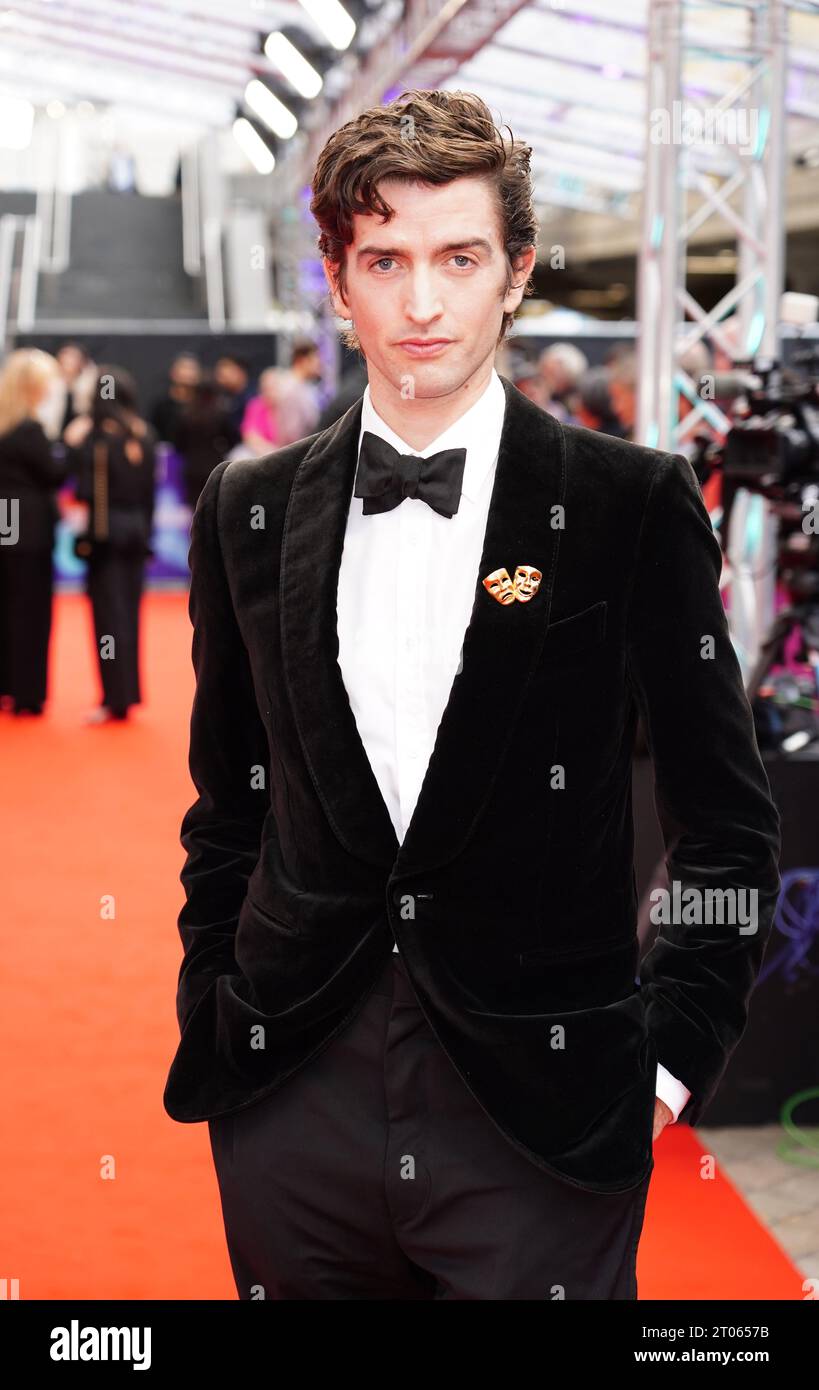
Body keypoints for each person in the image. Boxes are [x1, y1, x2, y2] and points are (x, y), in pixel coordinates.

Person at [163, 89, 781, 1300]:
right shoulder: (248, 505)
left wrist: (668, 1060)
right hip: (296, 1098)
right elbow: (228, 806)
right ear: (338, 283)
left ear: (517, 272)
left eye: (459, 257)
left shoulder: (631, 504)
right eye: (384, 260)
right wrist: (215, 1007)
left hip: (542, 1112)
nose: (424, 302)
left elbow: (727, 823)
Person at [63, 366, 156, 724]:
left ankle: (114, 697)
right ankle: (126, 693)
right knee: (129, 615)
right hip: (136, 533)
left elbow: (83, 489)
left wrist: (72, 445)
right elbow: (148, 492)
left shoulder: (96, 436)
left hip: (106, 535)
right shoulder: (143, 432)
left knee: (108, 618)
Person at [0, 348, 64, 715]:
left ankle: (8, 683)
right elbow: (53, 475)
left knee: (7, 603)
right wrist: (70, 445)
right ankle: (27, 692)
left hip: (7, 521)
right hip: (29, 528)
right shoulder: (30, 429)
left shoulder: (7, 425)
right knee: (31, 610)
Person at [173, 374, 241, 509]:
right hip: (215, 468)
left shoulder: (185, 415)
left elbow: (178, 444)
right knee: (213, 509)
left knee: (195, 510)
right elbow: (234, 439)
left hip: (191, 469)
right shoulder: (221, 414)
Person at [274, 339, 322, 446]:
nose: (319, 363)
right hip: (295, 453)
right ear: (303, 360)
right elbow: (291, 434)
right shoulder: (291, 389)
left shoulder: (303, 387)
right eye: (316, 358)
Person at [150, 354, 201, 445]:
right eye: (183, 368)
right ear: (173, 373)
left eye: (190, 369)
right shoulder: (161, 405)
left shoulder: (203, 405)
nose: (187, 373)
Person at [240, 367, 282, 457]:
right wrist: (270, 451)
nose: (270, 392)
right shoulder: (255, 405)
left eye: (273, 388)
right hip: (261, 454)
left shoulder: (287, 407)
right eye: (266, 388)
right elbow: (249, 435)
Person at [214, 354, 253, 434]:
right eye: (220, 375)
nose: (221, 379)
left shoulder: (253, 397)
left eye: (225, 375)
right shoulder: (221, 396)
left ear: (240, 371)